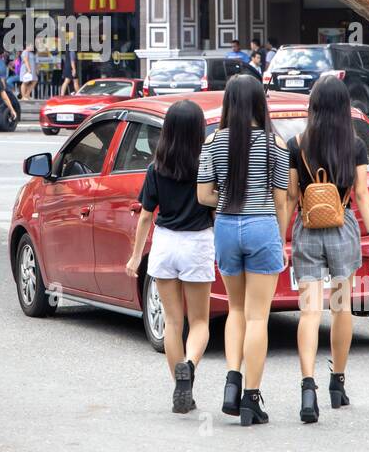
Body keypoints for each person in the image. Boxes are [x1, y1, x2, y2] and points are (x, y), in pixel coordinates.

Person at [286, 75, 369, 423]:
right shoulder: (354, 146)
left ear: (313, 106)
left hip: (307, 231)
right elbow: (361, 194)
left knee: (309, 312)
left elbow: (293, 196)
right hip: (343, 230)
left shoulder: (296, 144)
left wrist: (283, 237)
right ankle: (337, 384)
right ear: (344, 107)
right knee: (341, 309)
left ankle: (307, 386)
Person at [197, 73, 291, 426]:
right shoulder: (275, 145)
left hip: (225, 228)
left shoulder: (213, 143)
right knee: (257, 317)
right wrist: (280, 241)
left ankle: (231, 384)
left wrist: (228, 200)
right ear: (258, 103)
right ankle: (252, 398)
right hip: (262, 226)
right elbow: (281, 202)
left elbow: (203, 195)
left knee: (235, 310)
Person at [124, 99, 214, 413]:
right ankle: (189, 365)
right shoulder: (206, 164)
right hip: (197, 243)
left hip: (164, 244)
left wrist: (136, 257)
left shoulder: (156, 168)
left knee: (173, 323)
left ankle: (181, 391)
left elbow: (146, 216)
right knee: (200, 321)